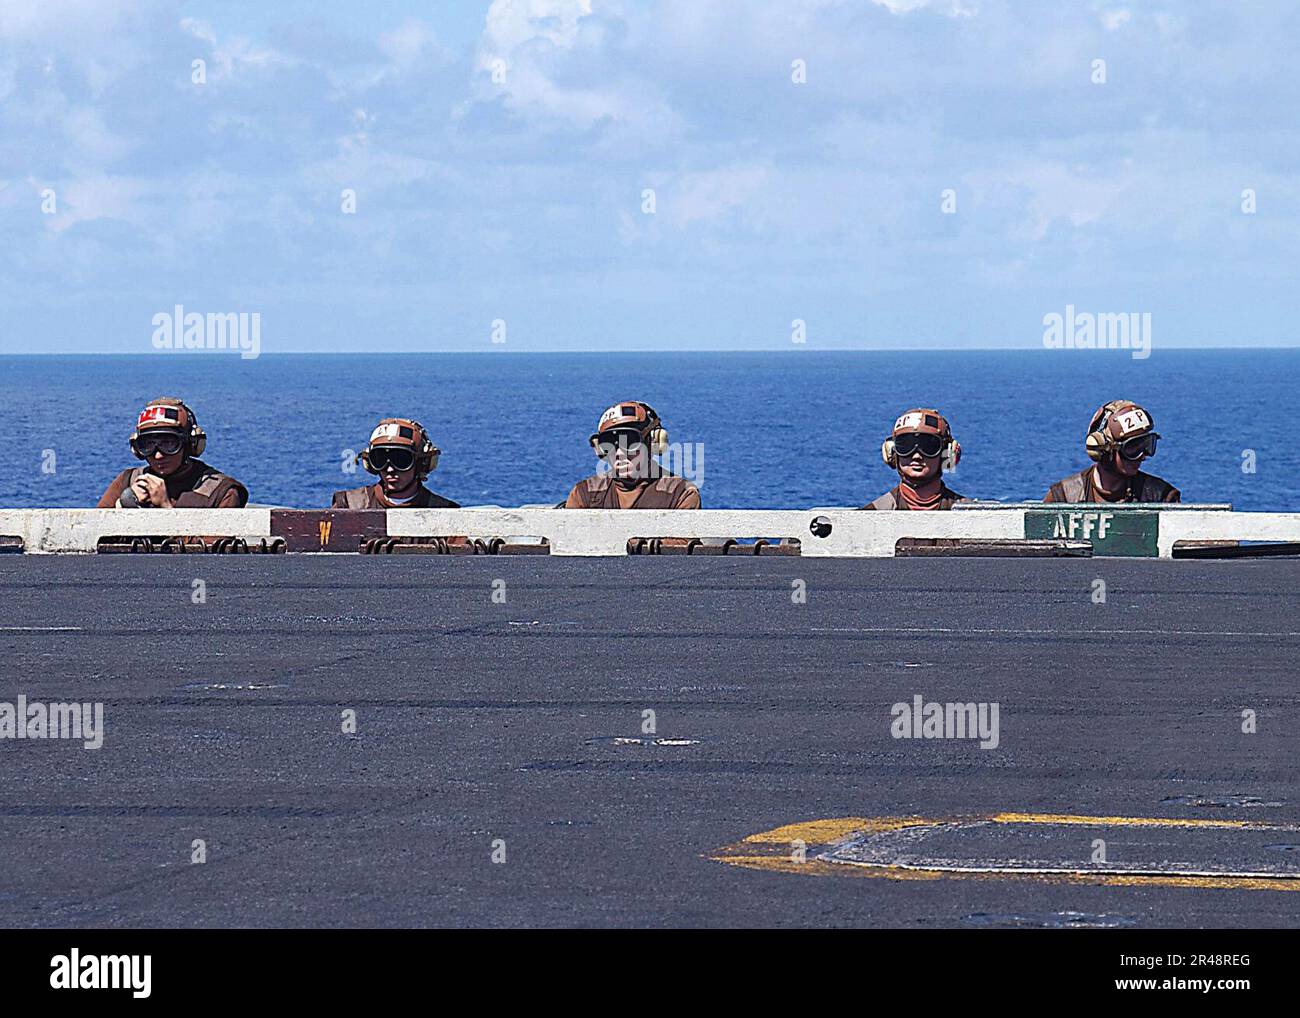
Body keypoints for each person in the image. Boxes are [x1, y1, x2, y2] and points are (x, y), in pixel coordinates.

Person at [97, 397, 248, 508]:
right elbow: (93, 529)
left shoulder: (219, 492)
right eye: (148, 445)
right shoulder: (128, 480)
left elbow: (215, 548)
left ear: (190, 444)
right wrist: (122, 505)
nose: (158, 455)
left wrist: (166, 507)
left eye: (169, 444)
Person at [563, 401, 700, 509]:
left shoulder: (680, 494)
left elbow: (682, 543)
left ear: (653, 442)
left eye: (630, 442)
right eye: (609, 444)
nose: (619, 453)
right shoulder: (584, 493)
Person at [1045, 400, 1180, 503]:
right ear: (1102, 449)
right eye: (1132, 447)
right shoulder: (1062, 498)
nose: (1142, 456)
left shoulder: (1161, 497)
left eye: (1146, 445)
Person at [332, 418, 459, 509]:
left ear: (421, 463)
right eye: (380, 460)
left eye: (401, 460)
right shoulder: (348, 505)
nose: (390, 469)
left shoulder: (446, 514)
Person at [863, 408, 967, 510]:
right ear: (893, 452)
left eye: (928, 446)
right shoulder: (869, 516)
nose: (916, 456)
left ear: (947, 454)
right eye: (906, 446)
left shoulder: (969, 515)